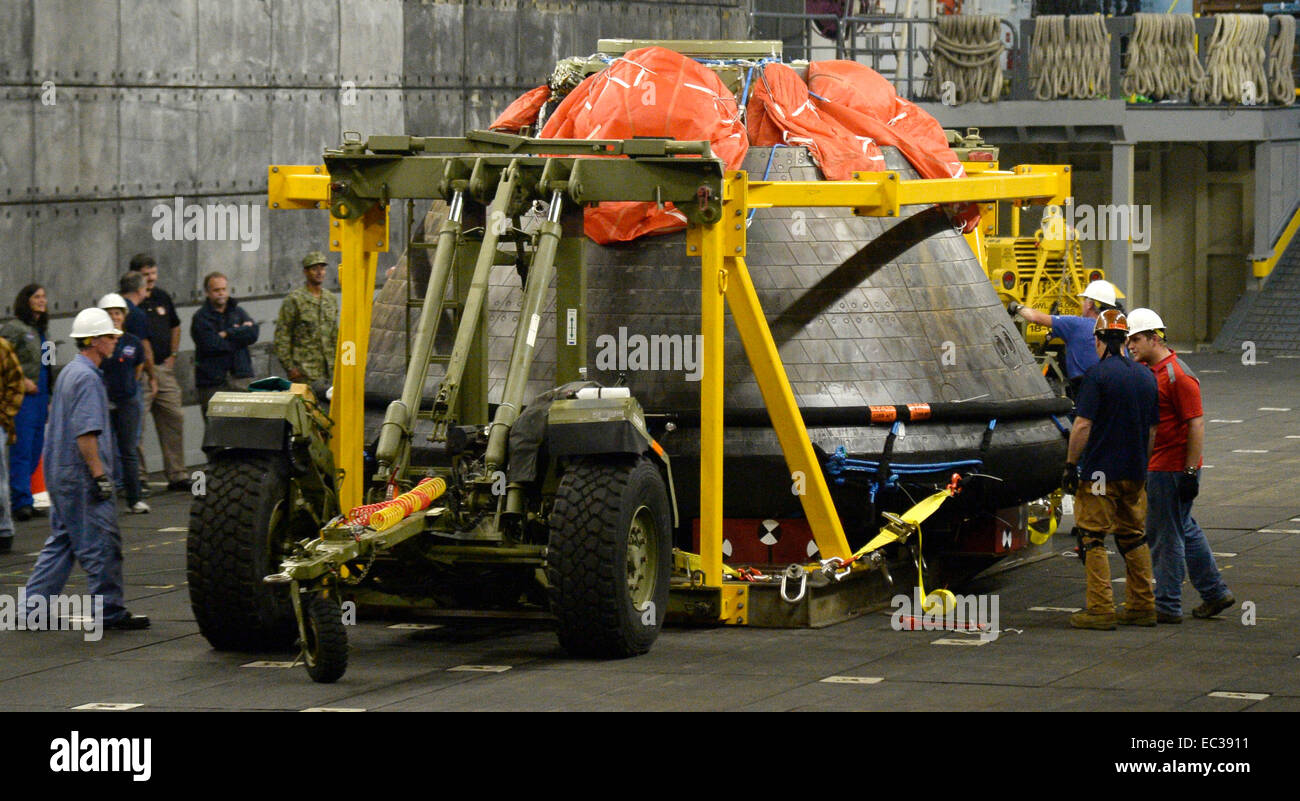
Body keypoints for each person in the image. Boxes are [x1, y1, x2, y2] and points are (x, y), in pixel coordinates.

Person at [23, 307, 150, 631]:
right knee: (103, 544)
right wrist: (99, 476)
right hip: (81, 477)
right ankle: (108, 611)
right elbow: (86, 433)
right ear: (94, 341)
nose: (114, 341)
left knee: (63, 541)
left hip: (61, 473)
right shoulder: (88, 378)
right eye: (109, 336)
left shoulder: (69, 372)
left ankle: (30, 609)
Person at [1126, 308, 1234, 622]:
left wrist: (1188, 471)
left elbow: (1196, 425)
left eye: (1134, 339)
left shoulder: (1177, 375)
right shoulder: (1156, 372)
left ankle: (1167, 606)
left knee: (1164, 536)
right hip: (1166, 466)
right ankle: (1215, 593)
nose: (1130, 346)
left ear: (1151, 337)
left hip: (1171, 468)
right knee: (1184, 528)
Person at [1063, 309, 1159, 630]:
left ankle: (1101, 608)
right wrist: (1140, 466)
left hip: (1100, 475)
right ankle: (1142, 605)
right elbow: (1152, 432)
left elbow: (1082, 426)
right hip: (1135, 473)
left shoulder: (1097, 376)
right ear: (1126, 339)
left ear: (1100, 340)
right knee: (1133, 537)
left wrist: (1070, 464)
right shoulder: (1146, 376)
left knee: (1092, 538)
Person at [1008, 279, 1124, 398]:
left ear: (1090, 304)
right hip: (1117, 388)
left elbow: (1034, 317)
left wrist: (1016, 307)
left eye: (1085, 300)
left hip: (1087, 390)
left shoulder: (1076, 324)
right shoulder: (1117, 330)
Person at [133, 254, 187, 492]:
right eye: (146, 274)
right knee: (136, 424)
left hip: (163, 369)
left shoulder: (163, 297)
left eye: (153, 273)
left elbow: (175, 325)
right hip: (139, 370)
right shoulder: (129, 302)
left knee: (174, 417)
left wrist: (173, 357)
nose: (151, 278)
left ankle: (177, 474)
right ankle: (138, 477)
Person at [0, 284, 52, 521]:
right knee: (21, 449)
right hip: (23, 397)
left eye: (43, 296)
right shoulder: (14, 328)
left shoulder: (44, 331)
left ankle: (25, 495)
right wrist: (22, 382)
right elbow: (3, 360)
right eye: (37, 297)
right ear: (26, 300)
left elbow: (49, 365)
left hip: (41, 396)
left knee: (35, 448)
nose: (42, 300)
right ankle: (20, 501)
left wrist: (50, 396)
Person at [97, 294, 152, 514]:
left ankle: (134, 498)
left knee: (128, 450)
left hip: (128, 402)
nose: (114, 317)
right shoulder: (99, 342)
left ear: (124, 316)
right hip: (102, 403)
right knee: (103, 451)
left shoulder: (132, 342)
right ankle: (102, 498)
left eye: (118, 313)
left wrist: (128, 387)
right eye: (109, 314)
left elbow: (138, 368)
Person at [192, 272, 259, 418]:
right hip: (213, 384)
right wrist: (240, 336)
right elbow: (212, 344)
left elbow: (253, 334)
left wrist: (228, 333)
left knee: (245, 430)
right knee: (217, 433)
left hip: (241, 378)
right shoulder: (201, 318)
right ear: (207, 293)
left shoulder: (238, 312)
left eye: (224, 289)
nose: (221, 293)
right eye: (216, 290)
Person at [274, 251, 339, 385]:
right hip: (305, 371)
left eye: (322, 268)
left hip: (330, 369)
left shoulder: (330, 299)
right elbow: (282, 336)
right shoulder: (295, 299)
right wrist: (290, 368)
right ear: (305, 272)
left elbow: (334, 333)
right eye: (314, 269)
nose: (319, 272)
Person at [0, 335, 24, 553]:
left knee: (0, 480)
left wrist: (4, 415)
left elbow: (16, 383)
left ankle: (4, 530)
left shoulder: (2, 347)